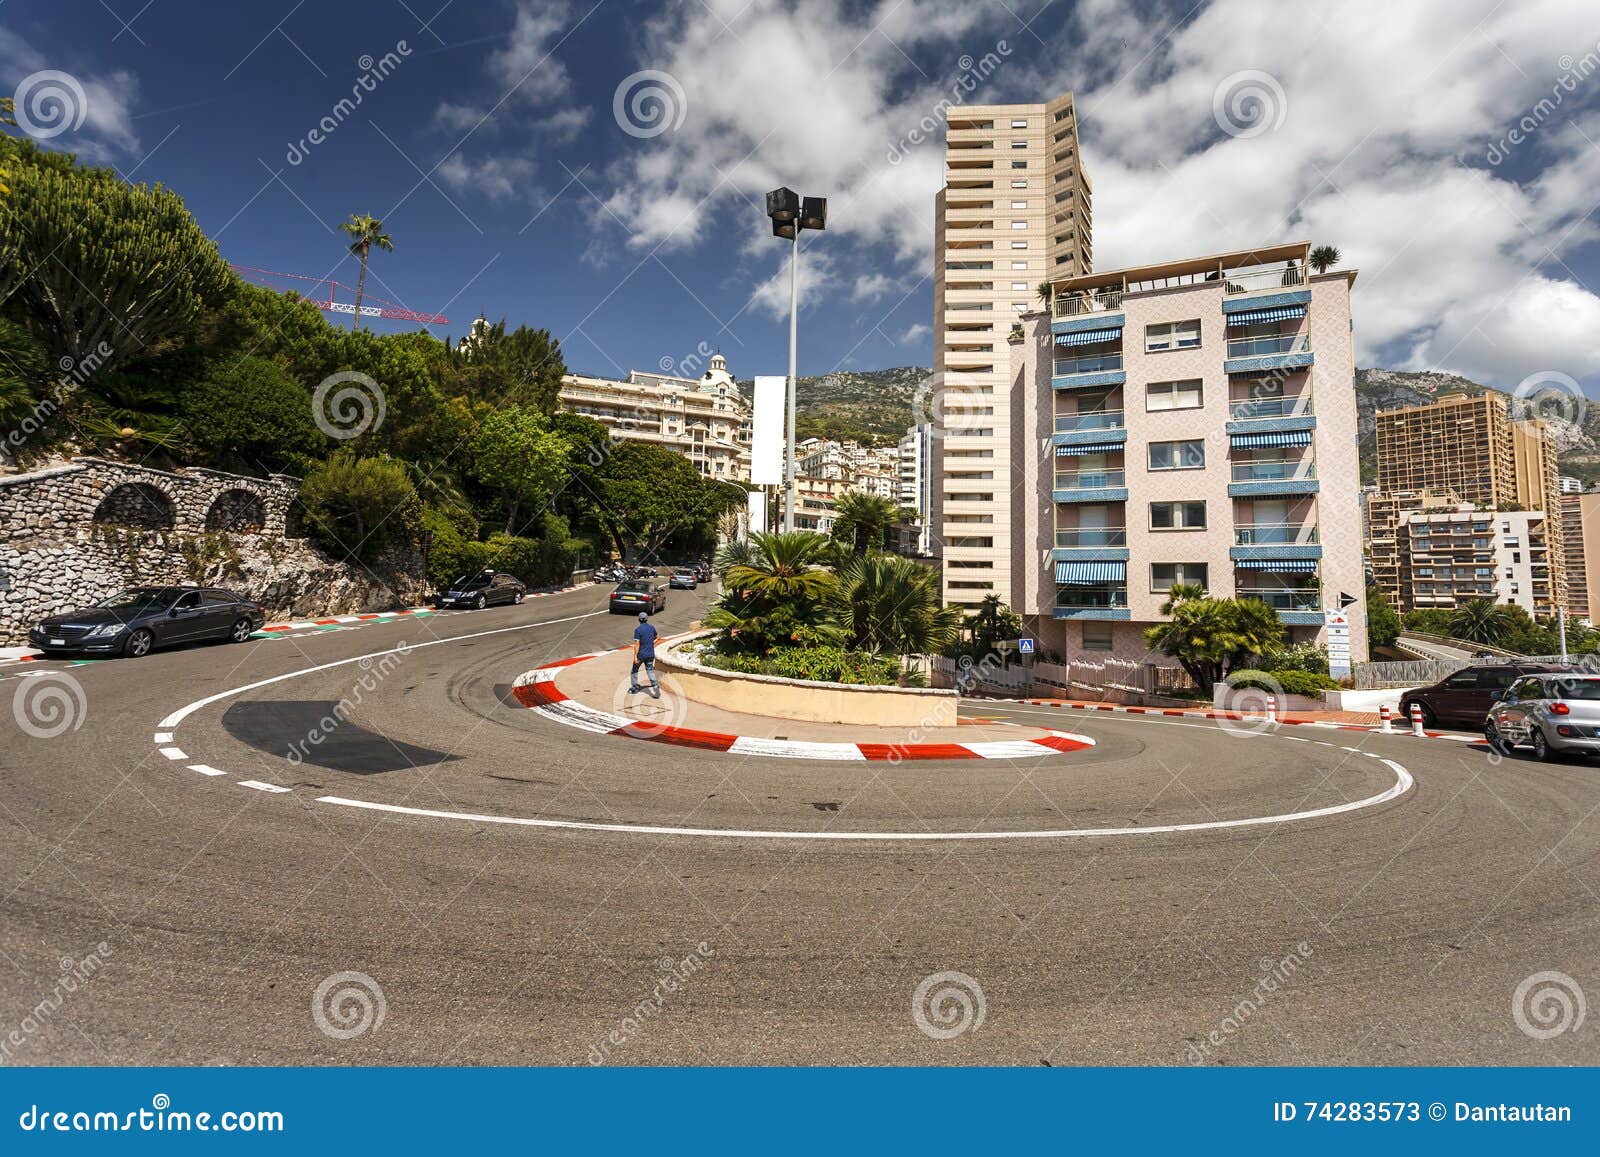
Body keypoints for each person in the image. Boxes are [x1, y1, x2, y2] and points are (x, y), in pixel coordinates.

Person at [630, 611, 660, 698]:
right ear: (647, 619)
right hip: (650, 654)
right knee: (650, 671)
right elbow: (657, 637)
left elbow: (637, 644)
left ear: (639, 619)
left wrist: (635, 656)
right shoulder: (651, 628)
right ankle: (655, 687)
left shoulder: (638, 630)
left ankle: (634, 688)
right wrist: (651, 643)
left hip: (641, 655)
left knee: (634, 671)